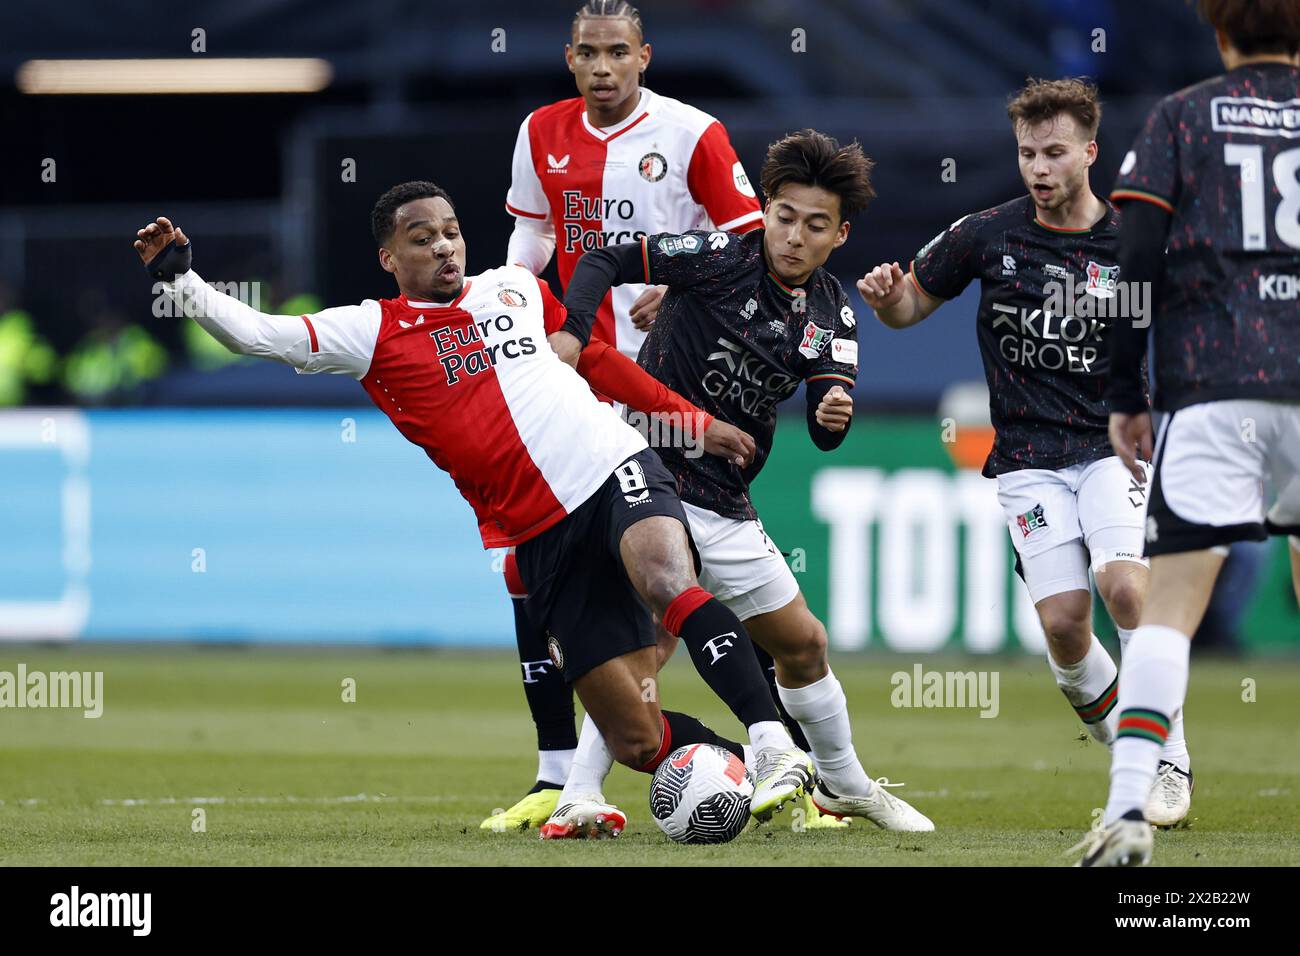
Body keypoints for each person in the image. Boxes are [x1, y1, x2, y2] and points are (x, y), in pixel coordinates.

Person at [133, 180, 809, 839]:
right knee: (636, 736)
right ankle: (752, 771)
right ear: (389, 259)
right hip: (541, 533)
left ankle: (773, 738)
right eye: (422, 240)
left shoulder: (511, 287)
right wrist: (184, 283)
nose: (445, 248)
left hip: (612, 467)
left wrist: (690, 422)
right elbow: (260, 335)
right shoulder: (373, 331)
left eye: (452, 232)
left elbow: (596, 359)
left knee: (666, 580)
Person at [490, 0, 836, 832]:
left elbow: (754, 247)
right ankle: (555, 774)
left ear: (644, 56)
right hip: (574, 383)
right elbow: (530, 246)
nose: (603, 68)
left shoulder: (694, 135)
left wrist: (680, 289)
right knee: (533, 567)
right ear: (569, 59)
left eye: (618, 53)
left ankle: (784, 760)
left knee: (693, 569)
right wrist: (507, 320)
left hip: (676, 390)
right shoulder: (540, 132)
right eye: (587, 54)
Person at [552, 129, 935, 831]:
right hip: (648, 470)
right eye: (784, 216)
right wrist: (576, 329)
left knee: (805, 644)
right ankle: (580, 792)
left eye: (815, 225)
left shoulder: (833, 315)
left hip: (725, 496)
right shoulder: (716, 259)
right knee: (653, 643)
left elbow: (825, 432)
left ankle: (845, 785)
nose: (794, 235)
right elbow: (606, 256)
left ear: (839, 233)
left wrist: (833, 410)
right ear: (765, 210)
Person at [859, 77, 1194, 827]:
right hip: (1027, 459)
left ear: (1089, 152)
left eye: (1054, 153)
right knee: (1067, 627)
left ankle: (1163, 757)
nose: (1039, 168)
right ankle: (1129, 750)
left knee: (1126, 590)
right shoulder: (987, 234)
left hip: (1112, 444)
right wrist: (886, 301)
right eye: (1026, 154)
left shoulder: (1133, 243)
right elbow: (912, 304)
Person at [1075, 0, 1300, 867]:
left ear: (1219, 31)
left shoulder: (1183, 116)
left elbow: (1135, 260)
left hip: (1215, 388)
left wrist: (1126, 390)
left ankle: (1130, 808)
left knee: (1167, 613)